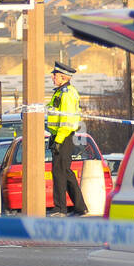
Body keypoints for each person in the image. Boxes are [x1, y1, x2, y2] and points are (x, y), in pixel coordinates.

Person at [45, 60, 87, 217]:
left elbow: (67, 121)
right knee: (66, 172)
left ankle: (60, 208)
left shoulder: (67, 94)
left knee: (59, 172)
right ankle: (80, 207)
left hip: (63, 136)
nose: (52, 77)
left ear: (63, 77)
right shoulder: (60, 92)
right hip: (60, 135)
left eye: (55, 75)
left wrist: (58, 140)